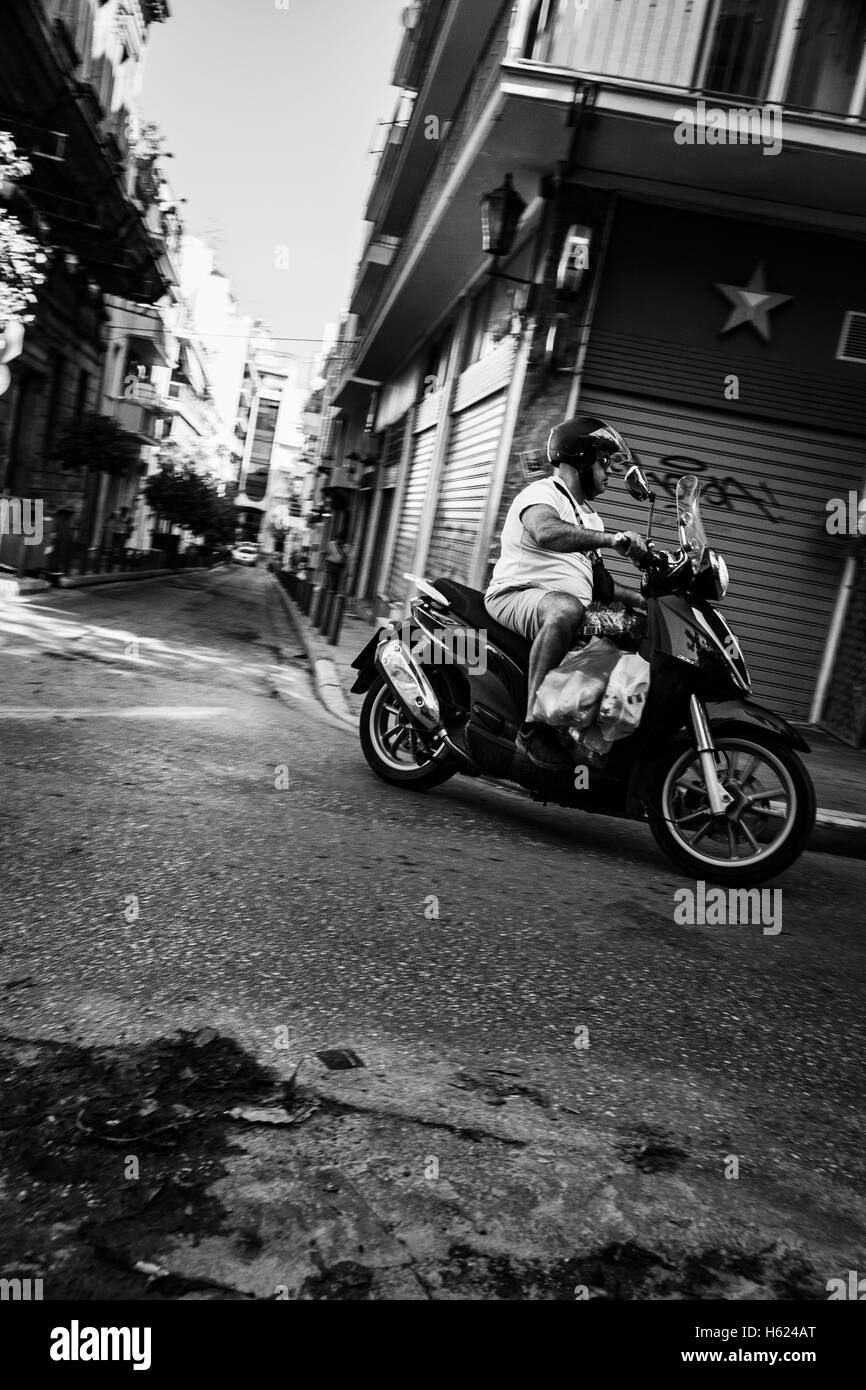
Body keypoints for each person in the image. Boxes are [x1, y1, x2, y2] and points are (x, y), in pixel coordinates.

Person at [484, 416, 648, 769]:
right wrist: (612, 540)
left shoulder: (591, 517)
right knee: (567, 610)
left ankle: (593, 743)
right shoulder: (542, 493)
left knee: (631, 629)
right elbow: (546, 532)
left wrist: (642, 600)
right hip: (516, 594)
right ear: (580, 459)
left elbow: (601, 586)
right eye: (603, 463)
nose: (609, 472)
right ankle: (532, 727)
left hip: (568, 603)